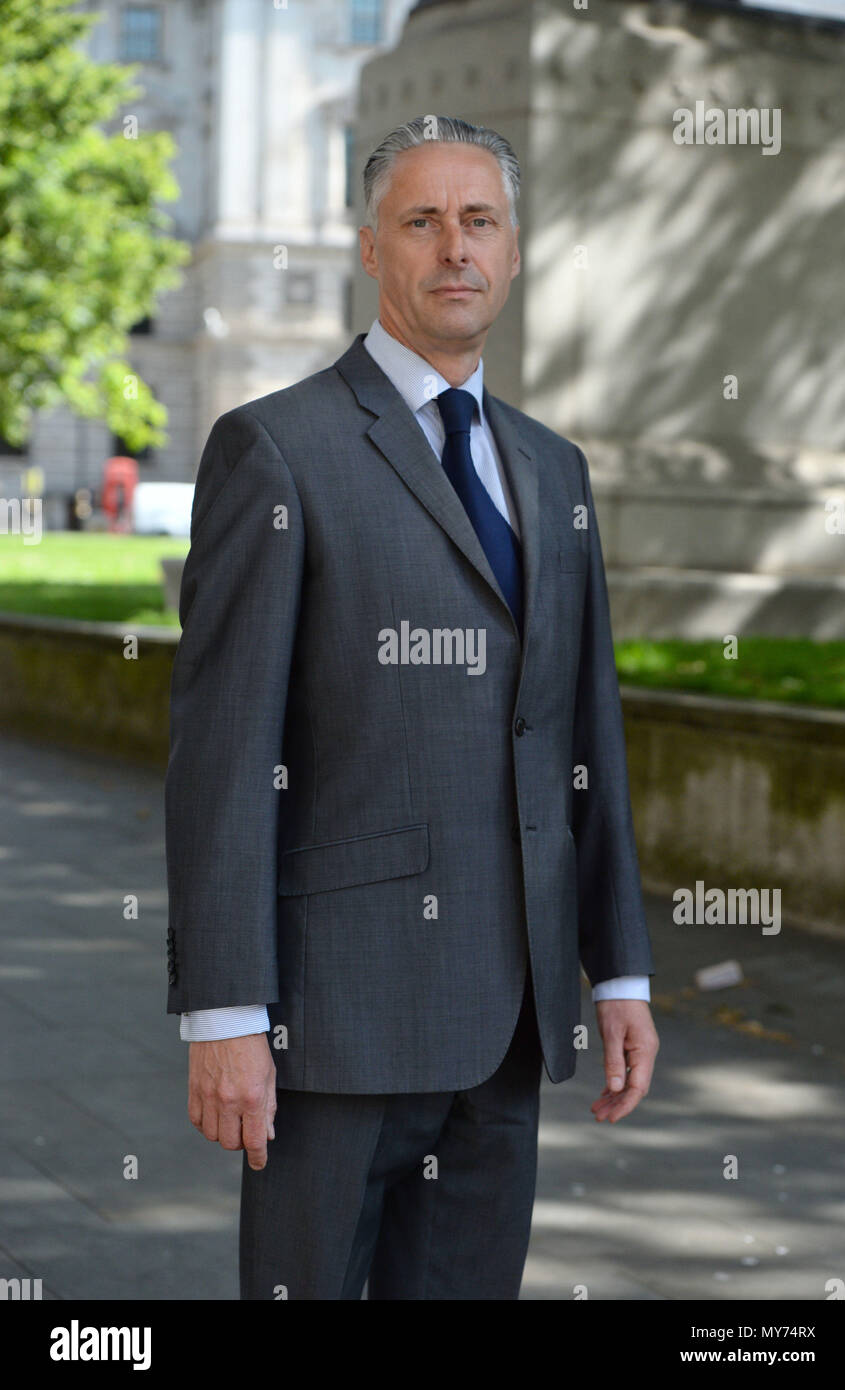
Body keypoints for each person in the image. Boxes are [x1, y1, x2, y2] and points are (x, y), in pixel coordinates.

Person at [164, 115, 659, 1301]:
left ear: (513, 251)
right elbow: (224, 755)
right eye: (421, 221)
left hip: (512, 1021)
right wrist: (224, 1013)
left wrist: (620, 971)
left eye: (478, 220)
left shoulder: (553, 469)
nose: (455, 248)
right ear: (371, 251)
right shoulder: (275, 452)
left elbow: (583, 730)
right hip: (334, 1028)